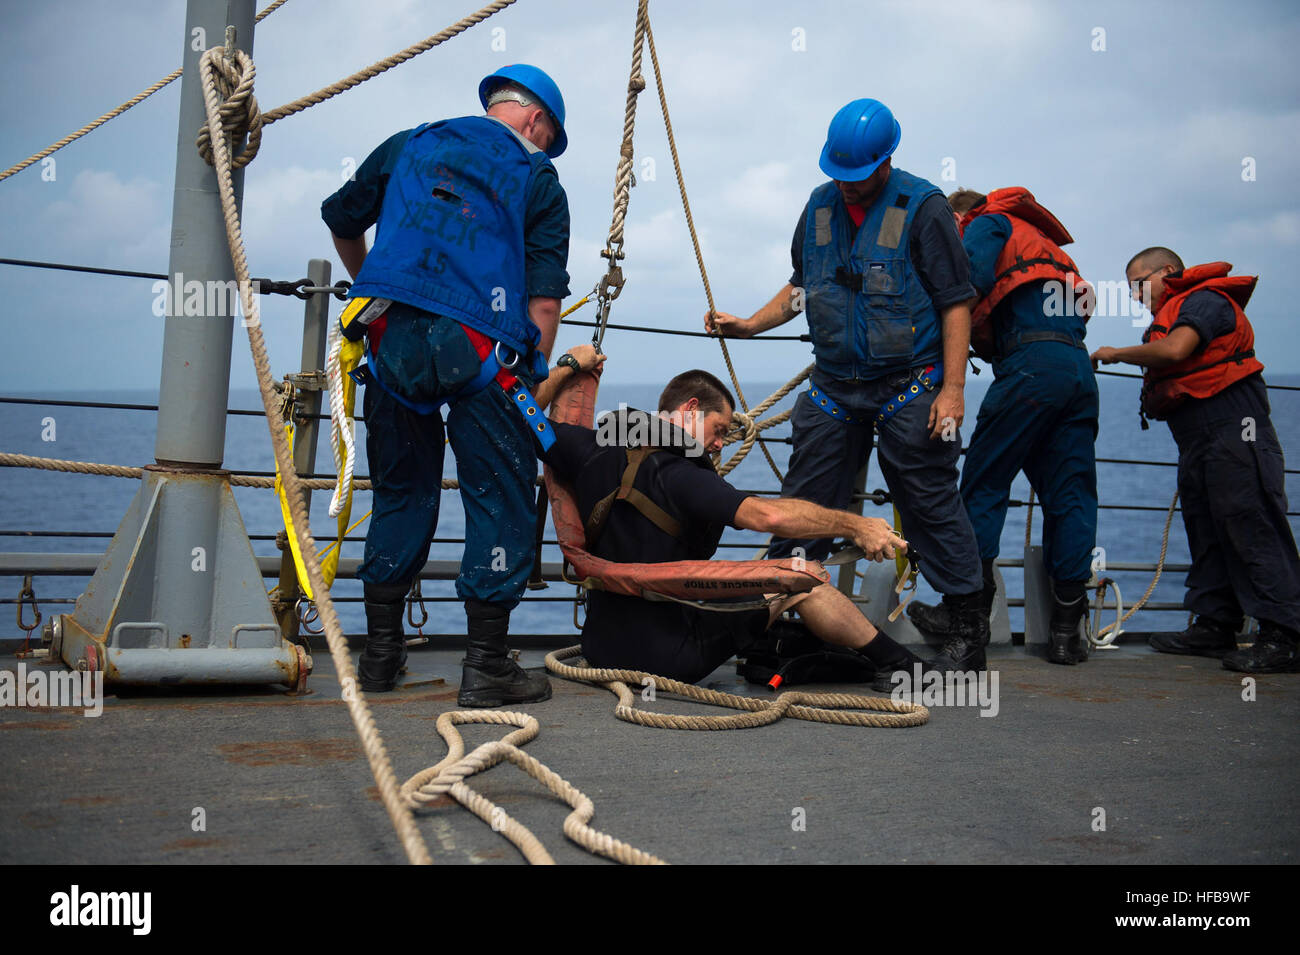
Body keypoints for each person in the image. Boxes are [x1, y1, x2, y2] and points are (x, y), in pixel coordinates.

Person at [320, 64, 582, 705]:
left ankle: (380, 658)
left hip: (389, 343)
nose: (547, 146)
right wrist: (534, 379)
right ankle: (487, 666)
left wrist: (371, 290)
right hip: (485, 354)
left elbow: (341, 218)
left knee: (401, 494)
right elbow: (543, 304)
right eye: (550, 136)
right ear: (535, 120)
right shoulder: (539, 179)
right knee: (498, 497)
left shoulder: (410, 142)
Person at [707, 98, 987, 673]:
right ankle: (784, 610)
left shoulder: (925, 208)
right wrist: (749, 325)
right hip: (836, 383)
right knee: (802, 499)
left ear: (886, 162)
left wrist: (953, 391)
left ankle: (966, 622)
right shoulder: (817, 207)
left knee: (928, 498)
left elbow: (956, 304)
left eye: (858, 176)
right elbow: (800, 286)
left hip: (912, 382)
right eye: (839, 175)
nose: (848, 186)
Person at [543, 368, 923, 687]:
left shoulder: (588, 448)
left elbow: (524, 417)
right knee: (807, 582)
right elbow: (767, 517)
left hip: (601, 650)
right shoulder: (682, 477)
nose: (719, 444)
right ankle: (902, 665)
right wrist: (855, 526)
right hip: (668, 661)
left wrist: (565, 365)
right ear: (690, 409)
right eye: (719, 428)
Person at [906, 188, 1098, 665]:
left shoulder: (990, 222)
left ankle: (964, 616)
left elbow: (963, 282)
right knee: (1070, 496)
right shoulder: (1044, 245)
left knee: (983, 485)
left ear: (959, 217)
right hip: (1077, 371)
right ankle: (1065, 634)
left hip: (1029, 367)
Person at [1092, 249, 1300, 674]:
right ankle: (1214, 624)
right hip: (1197, 437)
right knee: (1207, 530)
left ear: (1167, 271)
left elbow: (1175, 350)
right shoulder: (1178, 307)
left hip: (1233, 429)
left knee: (1251, 525)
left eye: (1138, 283)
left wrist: (1115, 353)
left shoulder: (1205, 300)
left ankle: (1286, 635)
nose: (1134, 295)